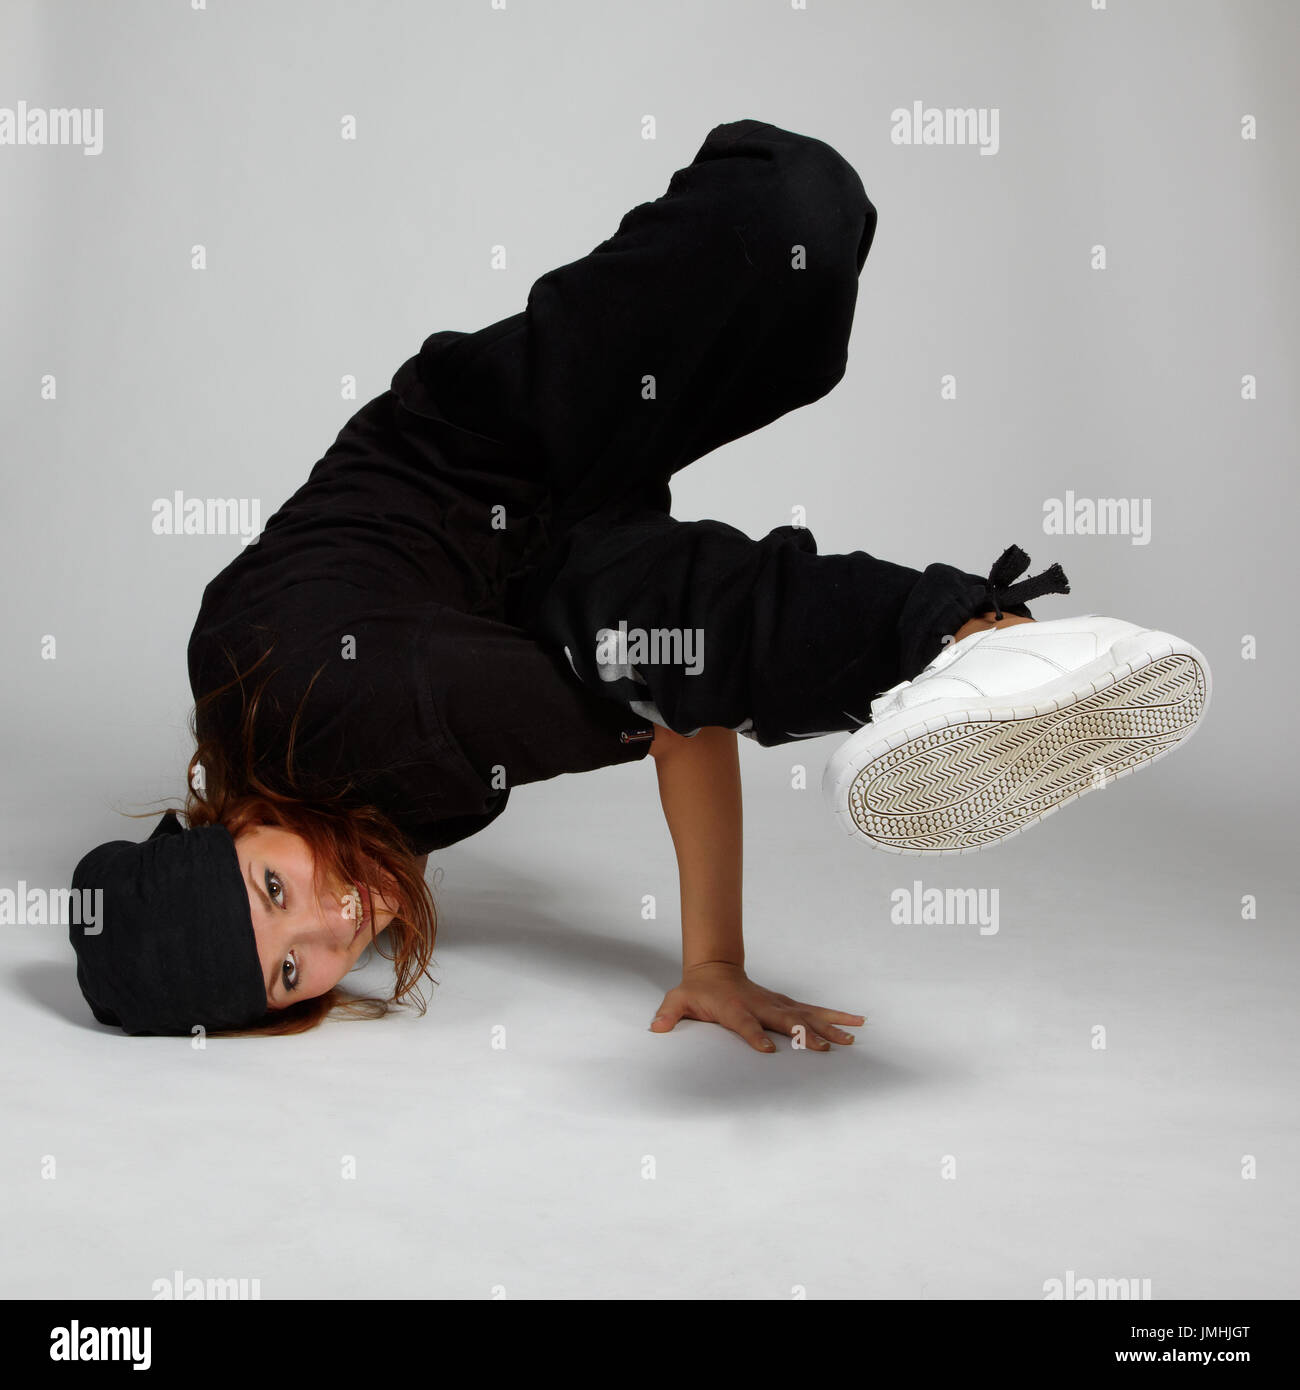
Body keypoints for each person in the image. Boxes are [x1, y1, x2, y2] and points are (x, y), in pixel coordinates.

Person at [68, 119, 1210, 1049]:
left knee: (795, 225)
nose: (331, 926)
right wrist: (712, 962)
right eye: (293, 972)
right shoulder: (311, 787)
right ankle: (968, 635)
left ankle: (951, 641)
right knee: (661, 628)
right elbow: (669, 685)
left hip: (486, 446)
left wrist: (719, 684)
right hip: (532, 584)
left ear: (223, 827)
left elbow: (671, 699)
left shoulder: (355, 723)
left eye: (276, 894)